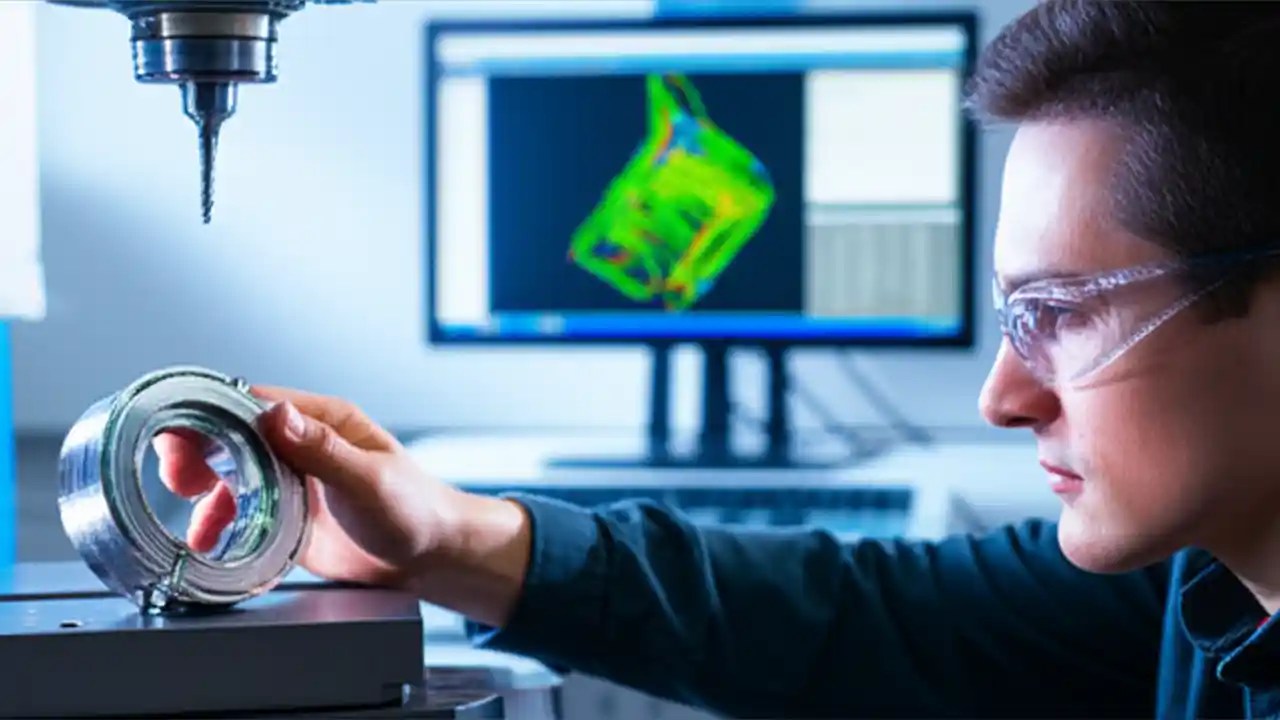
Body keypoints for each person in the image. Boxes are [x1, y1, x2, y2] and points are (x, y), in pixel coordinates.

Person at [154, 1, 1280, 716]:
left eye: (1063, 313)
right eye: (1010, 316)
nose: (1001, 397)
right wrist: (444, 534)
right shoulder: (1196, 586)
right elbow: (863, 618)